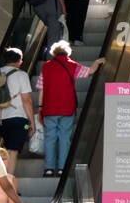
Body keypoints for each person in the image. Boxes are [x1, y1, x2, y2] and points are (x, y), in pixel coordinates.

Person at [36, 41, 104, 178]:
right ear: (68, 53)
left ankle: (48, 169)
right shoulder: (72, 65)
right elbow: (90, 71)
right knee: (64, 137)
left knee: (50, 138)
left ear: (53, 53)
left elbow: (41, 89)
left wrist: (40, 107)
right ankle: (62, 168)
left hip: (49, 109)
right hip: (67, 108)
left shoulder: (46, 67)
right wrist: (97, 62)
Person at [0, 48, 34, 174]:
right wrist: (32, 122)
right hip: (18, 119)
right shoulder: (21, 75)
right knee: (13, 151)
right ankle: (7, 183)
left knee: (6, 148)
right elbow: (26, 100)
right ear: (19, 61)